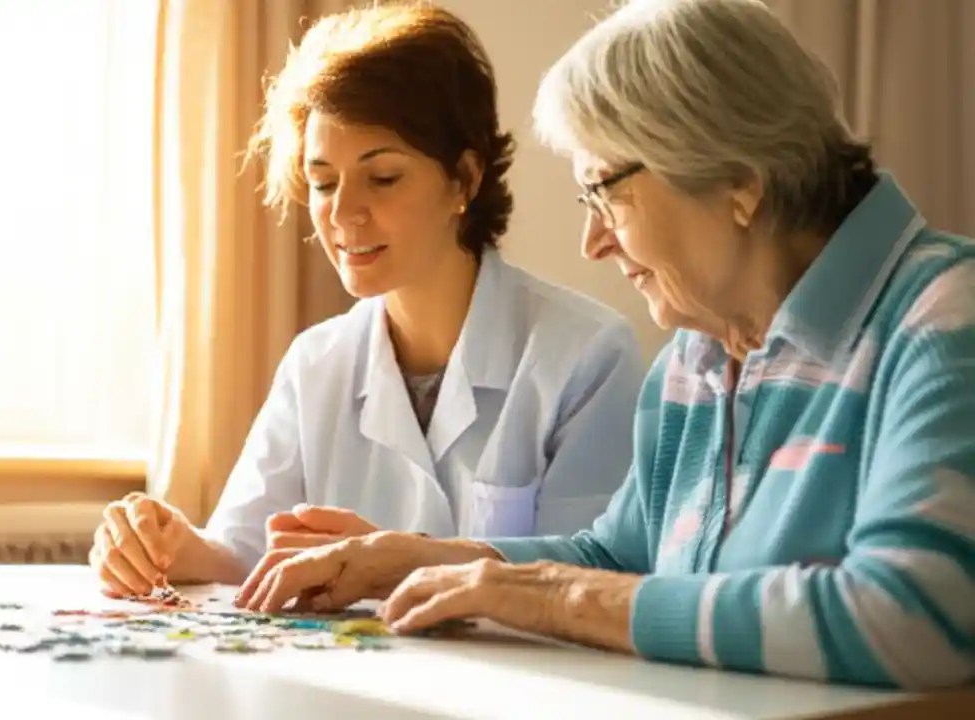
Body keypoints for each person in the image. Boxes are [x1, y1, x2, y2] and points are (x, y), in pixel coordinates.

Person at [237, 0, 975, 691]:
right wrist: (415, 557)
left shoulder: (946, 316)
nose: (592, 242)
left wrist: (560, 599)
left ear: (739, 183)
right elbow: (616, 557)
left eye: (606, 192)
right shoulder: (699, 356)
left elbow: (912, 616)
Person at [87, 4, 643, 595]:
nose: (343, 212)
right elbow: (245, 557)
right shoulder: (317, 363)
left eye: (382, 178)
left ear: (465, 179)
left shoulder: (586, 356)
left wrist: (396, 565)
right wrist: (167, 548)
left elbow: (588, 585)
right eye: (323, 182)